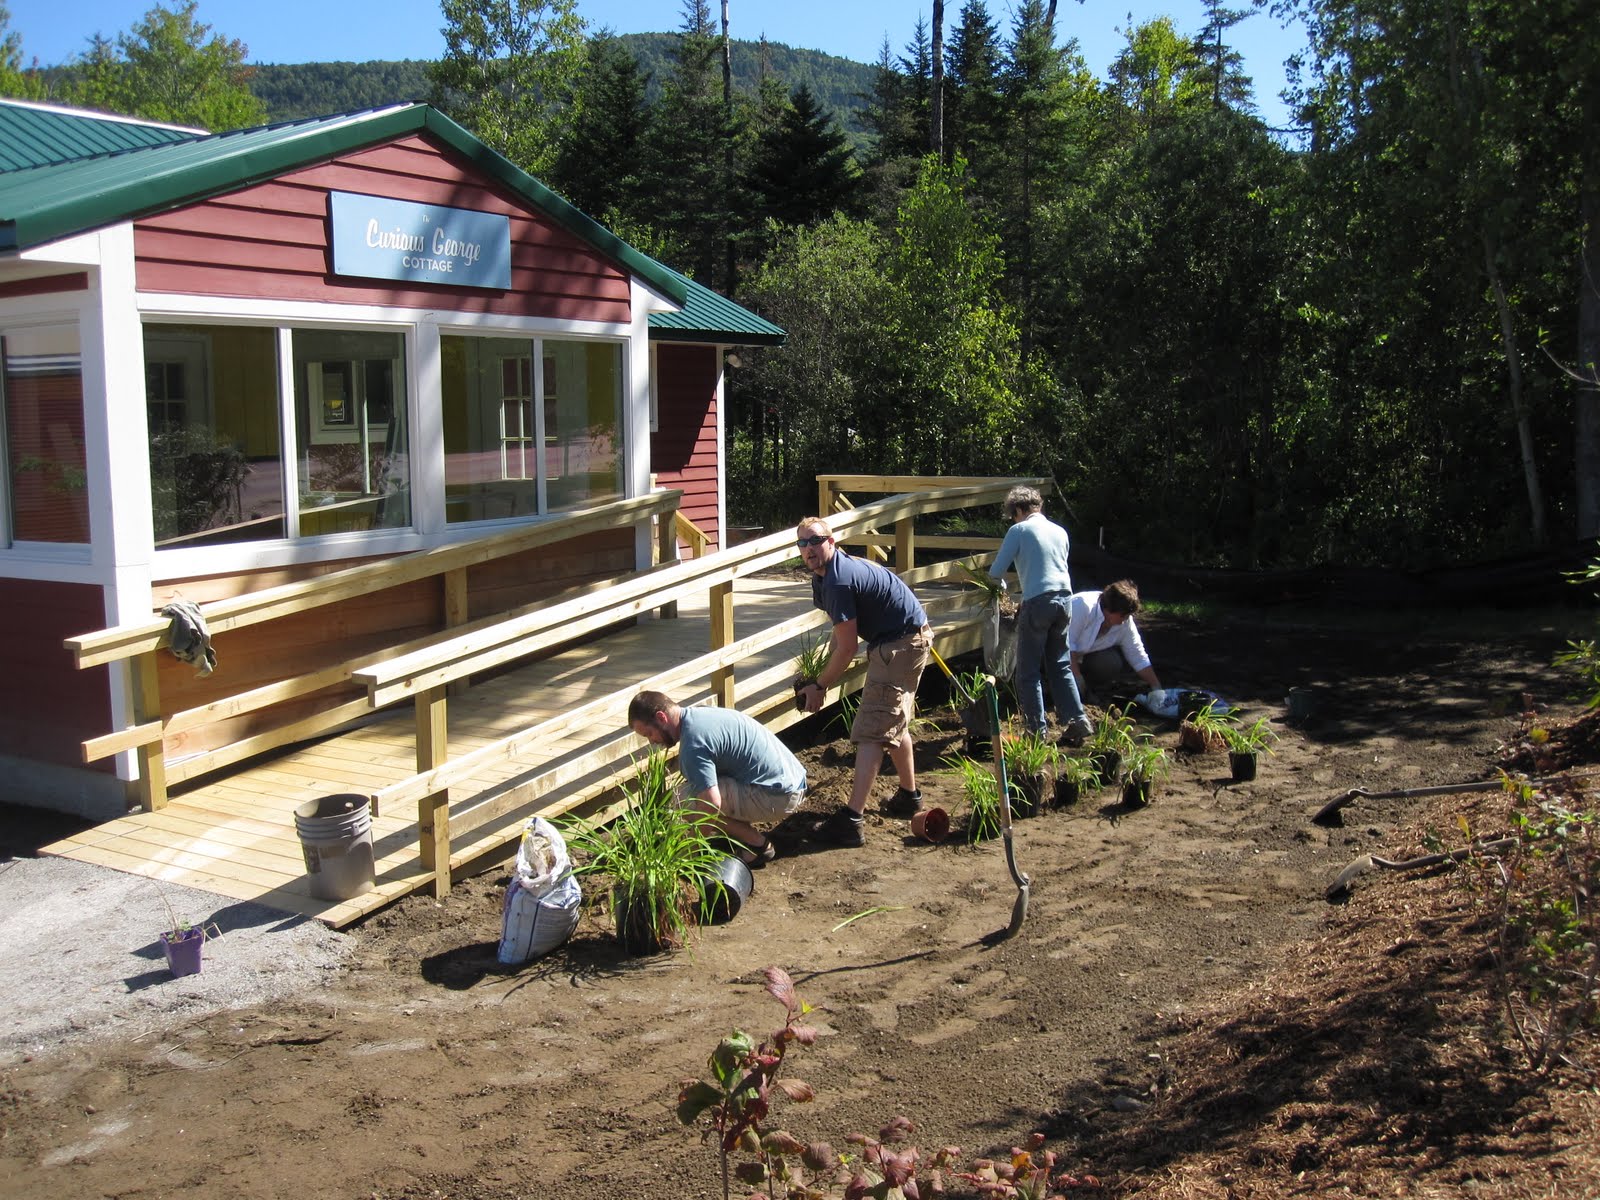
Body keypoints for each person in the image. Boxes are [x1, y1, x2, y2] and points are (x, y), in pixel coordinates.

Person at [793, 516, 933, 845]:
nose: (809, 548)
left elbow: (847, 649)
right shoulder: (825, 575)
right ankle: (909, 796)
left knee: (872, 730)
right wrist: (820, 676)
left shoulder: (838, 580)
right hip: (900, 640)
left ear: (831, 541)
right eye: (802, 543)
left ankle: (851, 820)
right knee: (891, 719)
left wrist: (820, 685)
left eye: (815, 540)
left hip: (902, 644)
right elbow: (842, 633)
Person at [627, 690, 807, 867]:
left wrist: (690, 850)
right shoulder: (700, 714)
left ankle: (756, 845)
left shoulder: (693, 744)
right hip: (792, 780)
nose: (651, 741)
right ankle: (738, 835)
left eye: (649, 734)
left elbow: (711, 804)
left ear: (661, 718)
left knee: (682, 799)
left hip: (779, 796)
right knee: (701, 786)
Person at [988, 484, 1094, 745]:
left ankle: (1036, 730)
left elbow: (995, 573)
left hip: (1038, 603)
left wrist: (1001, 588)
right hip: (1065, 600)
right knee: (1060, 664)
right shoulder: (1060, 531)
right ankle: (1078, 720)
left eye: (1013, 515)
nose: (1013, 519)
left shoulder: (1019, 530)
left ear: (1019, 510)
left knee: (1028, 670)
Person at [1066, 580, 1164, 705]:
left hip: (1080, 658)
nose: (1125, 620)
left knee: (1110, 662)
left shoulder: (1125, 623)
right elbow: (1066, 647)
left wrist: (1156, 687)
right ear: (1109, 610)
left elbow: (1137, 654)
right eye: (1123, 616)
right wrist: (1078, 680)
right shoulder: (1082, 607)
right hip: (1052, 654)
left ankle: (1086, 689)